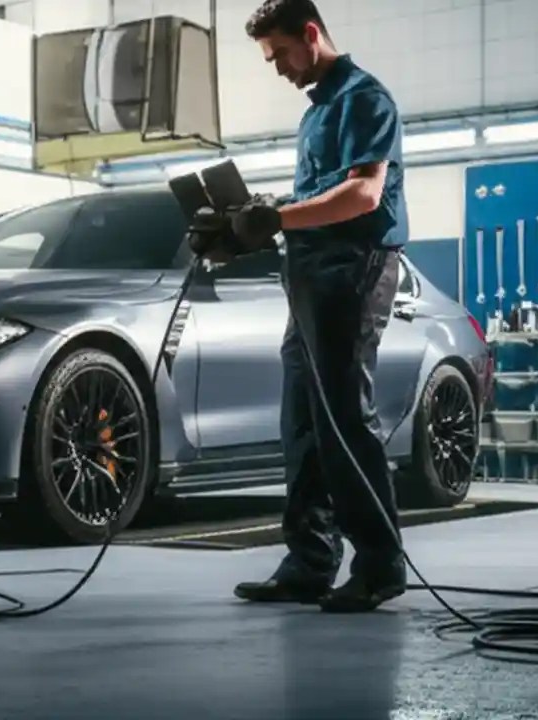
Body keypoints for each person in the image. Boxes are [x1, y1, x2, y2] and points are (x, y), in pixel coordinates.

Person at [224, 0, 410, 613]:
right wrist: (248, 222)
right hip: (308, 275)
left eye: (279, 53)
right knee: (303, 423)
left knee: (344, 420)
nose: (276, 68)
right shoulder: (318, 112)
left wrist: (275, 216)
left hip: (352, 270)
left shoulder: (364, 98)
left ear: (311, 34)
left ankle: (380, 567)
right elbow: (317, 197)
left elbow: (362, 193)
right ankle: (309, 562)